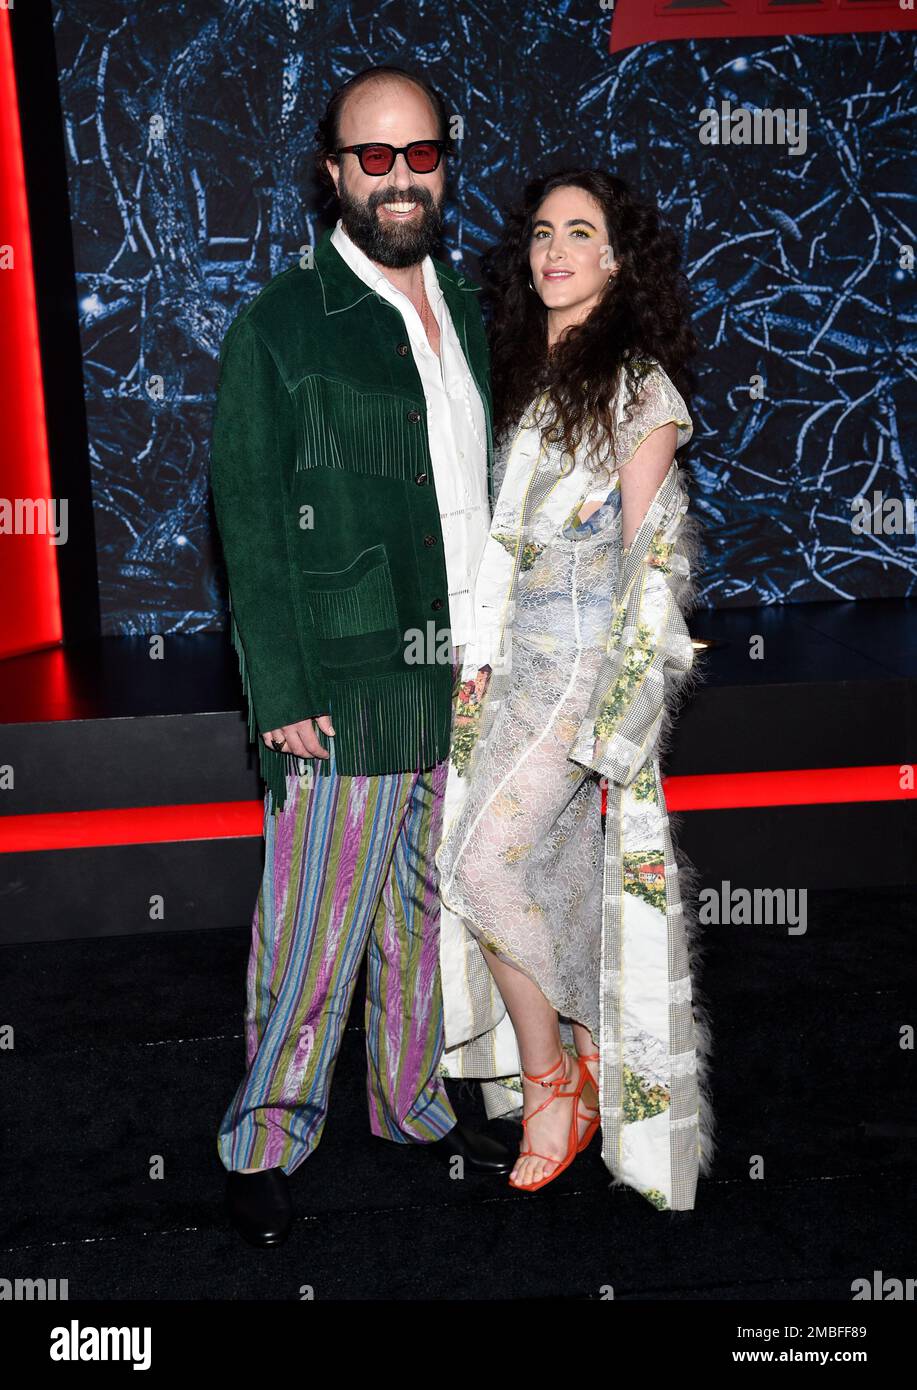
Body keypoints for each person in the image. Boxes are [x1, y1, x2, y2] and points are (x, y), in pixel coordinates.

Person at [209, 65, 512, 1248]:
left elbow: (472, 498)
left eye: (418, 155)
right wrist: (277, 688)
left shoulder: (468, 307)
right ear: (332, 173)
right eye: (370, 157)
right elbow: (245, 516)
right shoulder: (280, 327)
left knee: (421, 914)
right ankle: (264, 1138)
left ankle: (410, 1102)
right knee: (314, 927)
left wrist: (486, 647)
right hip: (339, 683)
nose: (396, 179)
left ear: (444, 163)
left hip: (456, 672)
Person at [436, 170, 716, 1209]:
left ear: (614, 258)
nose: (554, 249)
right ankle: (582, 1050)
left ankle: (555, 1079)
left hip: (580, 679)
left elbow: (655, 561)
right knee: (528, 873)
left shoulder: (635, 386)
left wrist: (623, 712)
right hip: (508, 675)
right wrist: (475, 664)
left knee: (477, 869)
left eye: (580, 233)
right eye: (541, 232)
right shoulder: (517, 371)